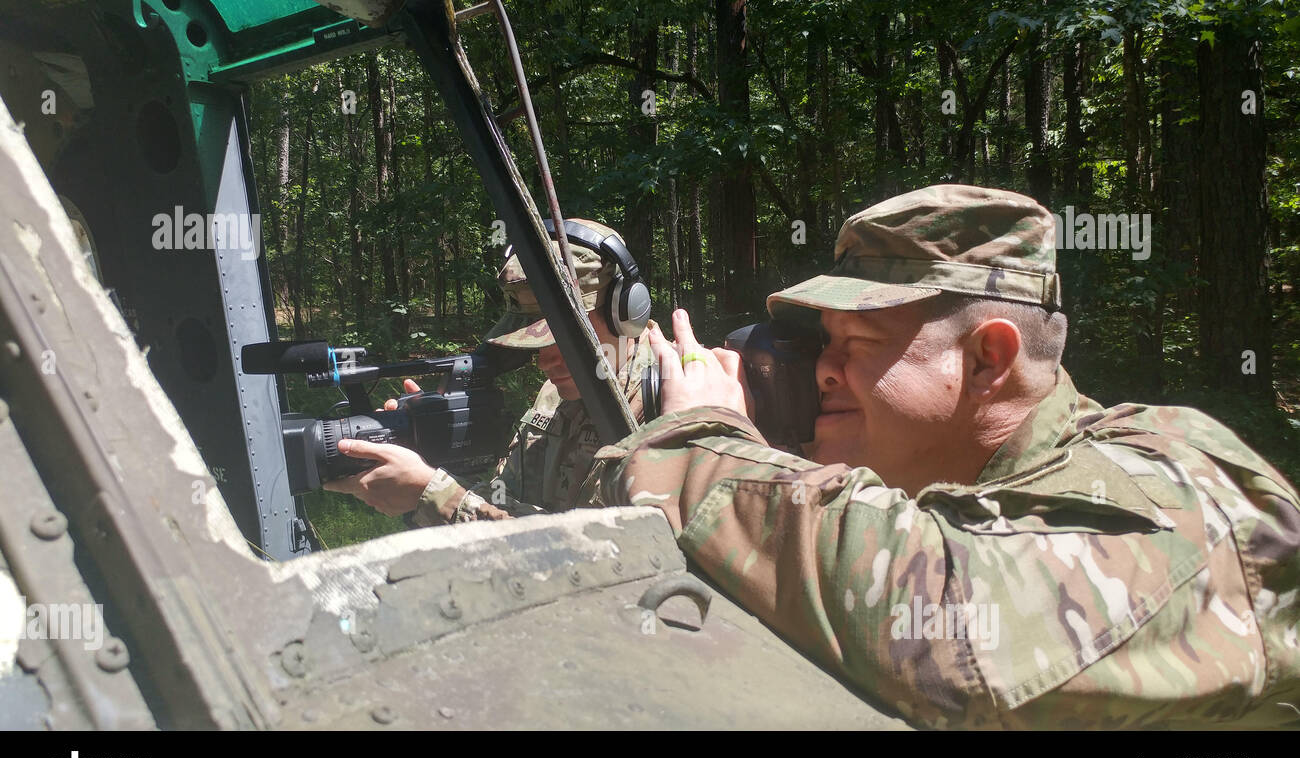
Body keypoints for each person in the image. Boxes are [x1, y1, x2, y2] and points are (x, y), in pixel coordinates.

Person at [587, 184, 1300, 729]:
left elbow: (951, 629)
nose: (822, 372)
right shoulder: (957, 483)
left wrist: (700, 442)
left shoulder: (1180, 488)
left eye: (855, 344)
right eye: (822, 345)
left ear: (989, 359)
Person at [325, 218, 656, 525]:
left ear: (623, 310)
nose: (544, 361)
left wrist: (434, 494)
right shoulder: (555, 393)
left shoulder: (673, 404)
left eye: (562, 338)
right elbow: (507, 499)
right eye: (535, 340)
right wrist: (433, 460)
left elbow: (608, 557)